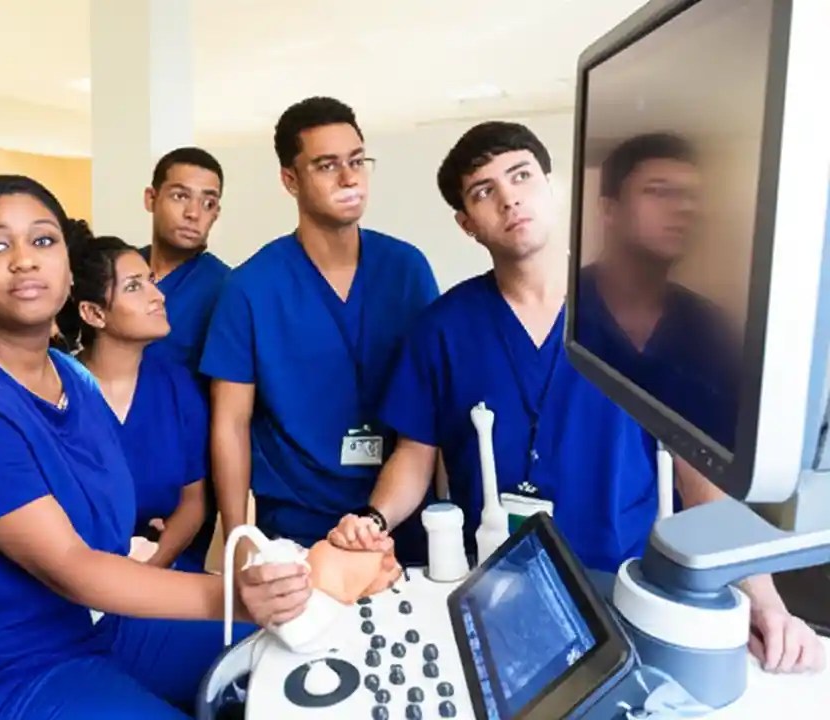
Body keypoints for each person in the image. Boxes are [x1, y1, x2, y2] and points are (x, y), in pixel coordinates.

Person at [328, 121, 823, 674]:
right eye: (484, 191)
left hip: (629, 592)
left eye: (521, 176)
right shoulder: (442, 329)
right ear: (468, 224)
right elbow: (414, 457)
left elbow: (701, 478)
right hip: (496, 593)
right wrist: (372, 519)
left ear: (551, 188)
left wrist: (766, 601)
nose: (509, 197)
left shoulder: (656, 317)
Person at [0, 174, 311, 719]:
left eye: (43, 241)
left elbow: (105, 523)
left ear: (68, 269)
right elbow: (71, 566)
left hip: (99, 623)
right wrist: (230, 594)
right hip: (8, 667)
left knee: (285, 641)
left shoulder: (73, 378)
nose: (24, 260)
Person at [200, 96, 439, 562]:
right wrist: (240, 542)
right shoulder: (250, 288)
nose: (349, 178)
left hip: (397, 517)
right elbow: (231, 423)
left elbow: (433, 407)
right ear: (291, 180)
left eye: (357, 161)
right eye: (327, 165)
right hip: (297, 526)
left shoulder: (406, 269)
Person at [575, 133, 740, 449]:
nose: (684, 208)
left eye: (692, 196)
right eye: (659, 192)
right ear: (609, 210)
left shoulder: (715, 332)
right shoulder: (562, 314)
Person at [57, 229, 209, 571]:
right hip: (79, 578)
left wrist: (151, 565)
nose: (157, 296)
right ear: (94, 314)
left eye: (151, 280)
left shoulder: (176, 386)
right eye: (133, 287)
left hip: (162, 568)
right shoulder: (58, 388)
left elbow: (193, 500)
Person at [139, 146, 231, 571]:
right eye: (181, 196)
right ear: (151, 198)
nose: (195, 212)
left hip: (185, 479)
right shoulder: (121, 273)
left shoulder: (226, 290)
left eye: (208, 202)